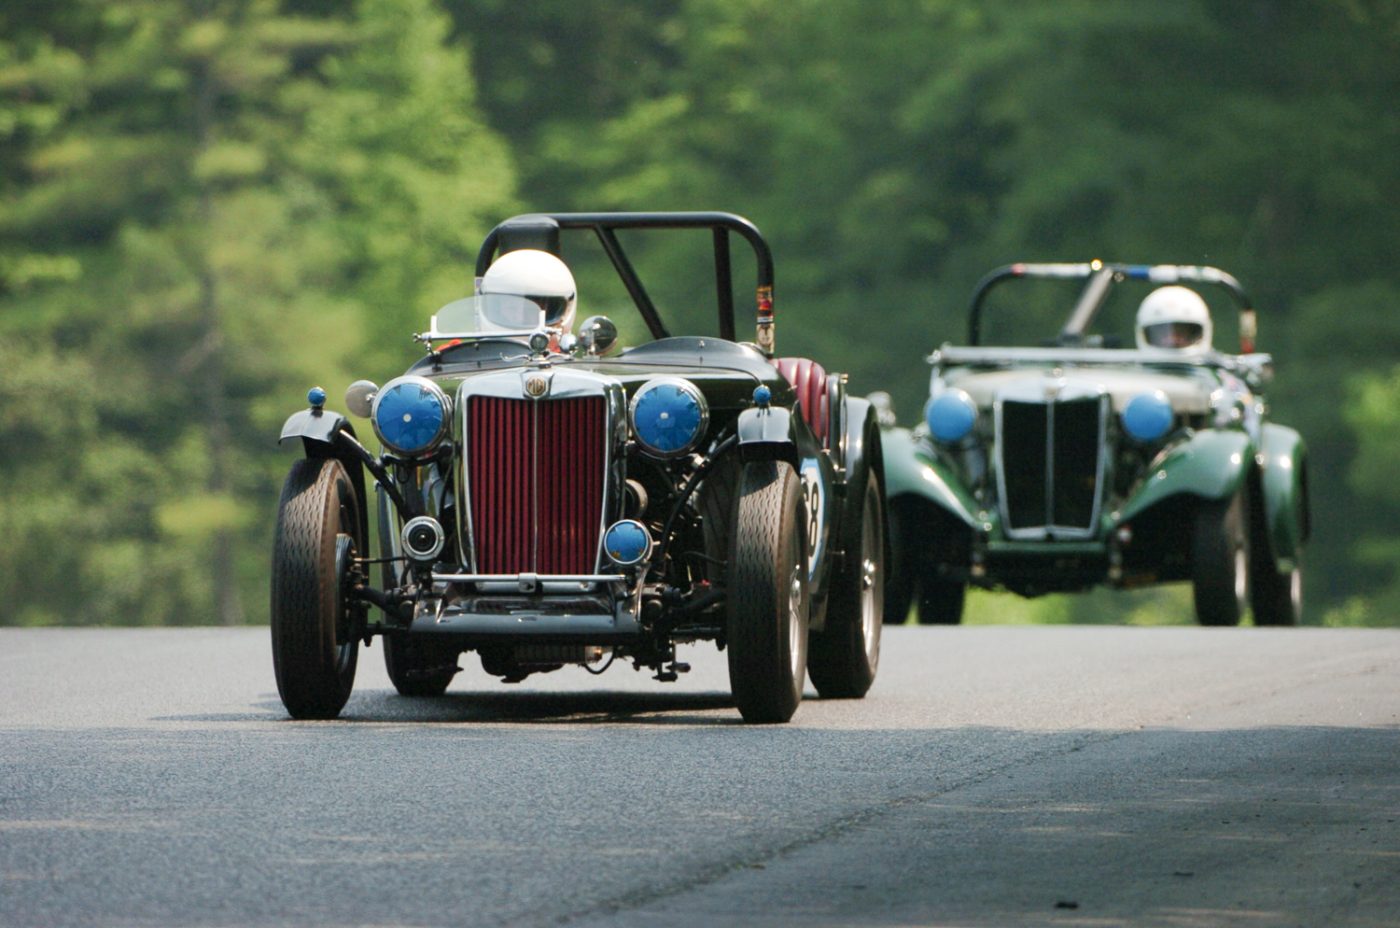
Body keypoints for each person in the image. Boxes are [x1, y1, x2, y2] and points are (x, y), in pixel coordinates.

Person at [474, 248, 577, 342]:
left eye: (530, 309)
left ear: (552, 310)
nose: (519, 317)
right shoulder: (474, 357)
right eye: (511, 308)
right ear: (495, 308)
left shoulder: (565, 360)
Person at [1135, 285, 1212, 354]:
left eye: (1181, 333)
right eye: (1163, 332)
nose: (1173, 340)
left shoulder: (1220, 367)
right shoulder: (1129, 369)